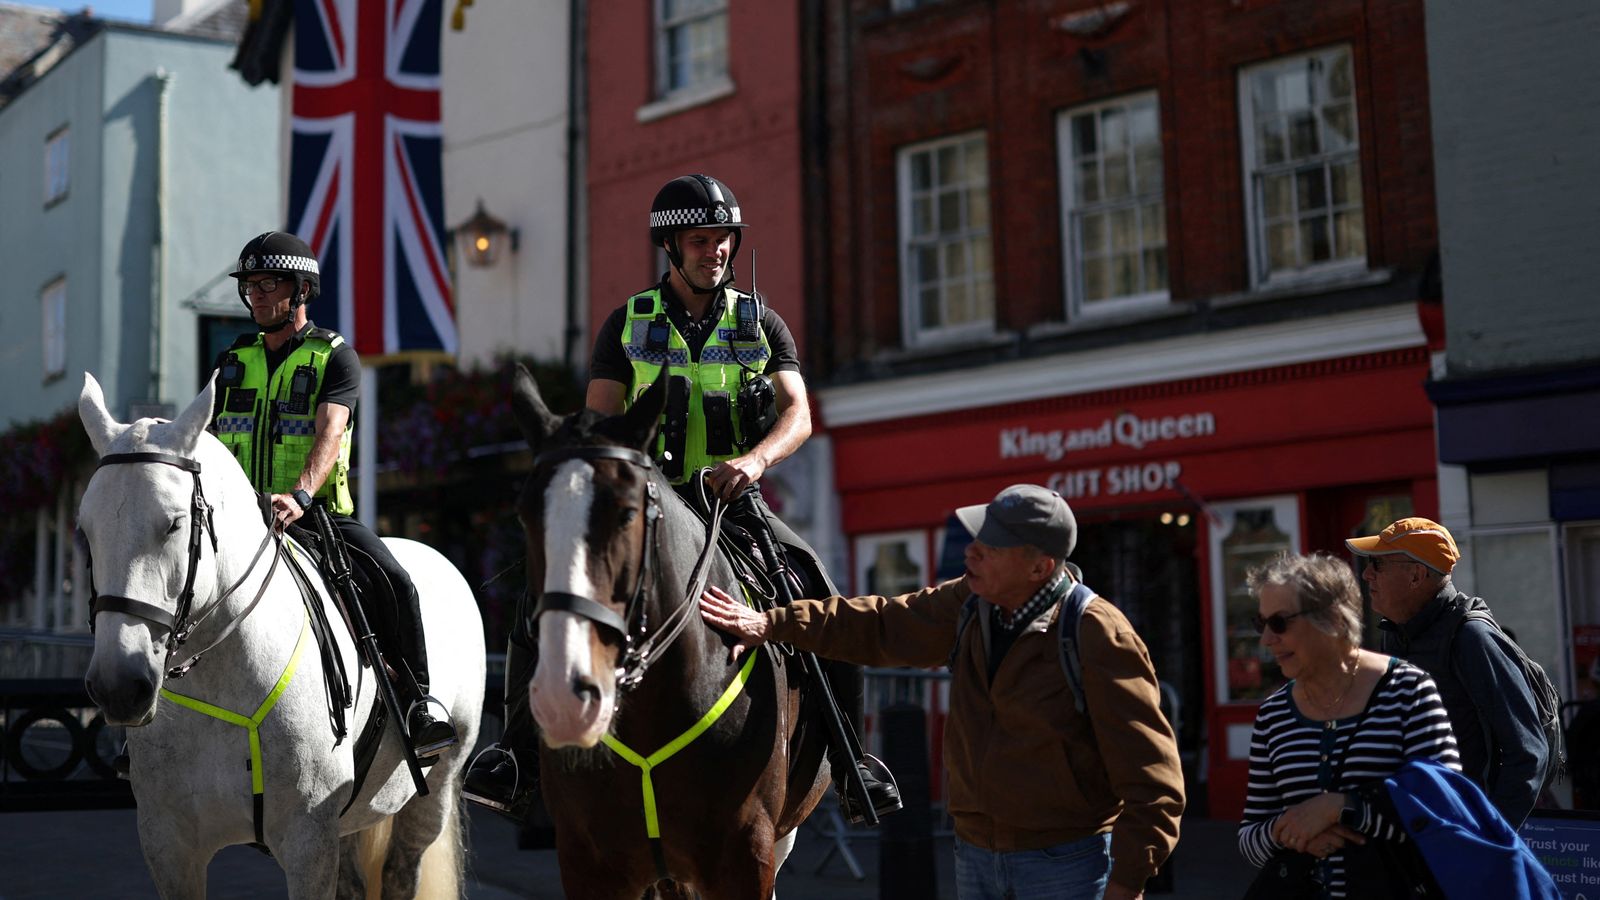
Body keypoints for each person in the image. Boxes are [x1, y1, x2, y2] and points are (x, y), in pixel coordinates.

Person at [463, 174, 900, 824]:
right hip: (641, 512)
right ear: (670, 245)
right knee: (541, 596)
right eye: (702, 240)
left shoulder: (762, 323)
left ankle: (852, 760)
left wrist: (753, 462)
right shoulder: (626, 326)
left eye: (725, 239)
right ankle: (516, 754)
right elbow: (596, 430)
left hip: (734, 506)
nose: (716, 251)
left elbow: (799, 413)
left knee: (813, 580)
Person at [700, 483, 1185, 900]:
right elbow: (879, 623)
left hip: (1067, 863)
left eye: (991, 546)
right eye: (978, 538)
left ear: (1041, 567)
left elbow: (1154, 781)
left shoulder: (1098, 633)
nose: (972, 551)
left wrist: (1127, 881)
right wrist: (772, 621)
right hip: (976, 854)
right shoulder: (970, 603)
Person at [209, 231, 456, 759]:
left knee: (395, 581)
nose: (255, 294)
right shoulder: (233, 359)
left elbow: (330, 433)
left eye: (267, 283)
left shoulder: (334, 359)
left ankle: (419, 705)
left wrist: (299, 494)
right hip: (236, 519)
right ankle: (152, 724)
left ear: (300, 290)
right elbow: (206, 437)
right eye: (249, 284)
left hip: (312, 516)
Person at [1237, 552, 1460, 899]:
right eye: (1260, 623)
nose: (1266, 639)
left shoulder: (1407, 690)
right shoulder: (1273, 715)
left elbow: (1446, 809)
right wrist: (1289, 832)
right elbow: (1250, 837)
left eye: (1279, 623)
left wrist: (1342, 808)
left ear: (1333, 619)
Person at [1346, 517, 1546, 826]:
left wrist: (1489, 841)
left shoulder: (1471, 638)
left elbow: (1529, 753)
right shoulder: (1396, 633)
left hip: (1461, 839)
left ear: (1417, 575)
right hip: (1415, 832)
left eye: (1378, 565)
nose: (1367, 574)